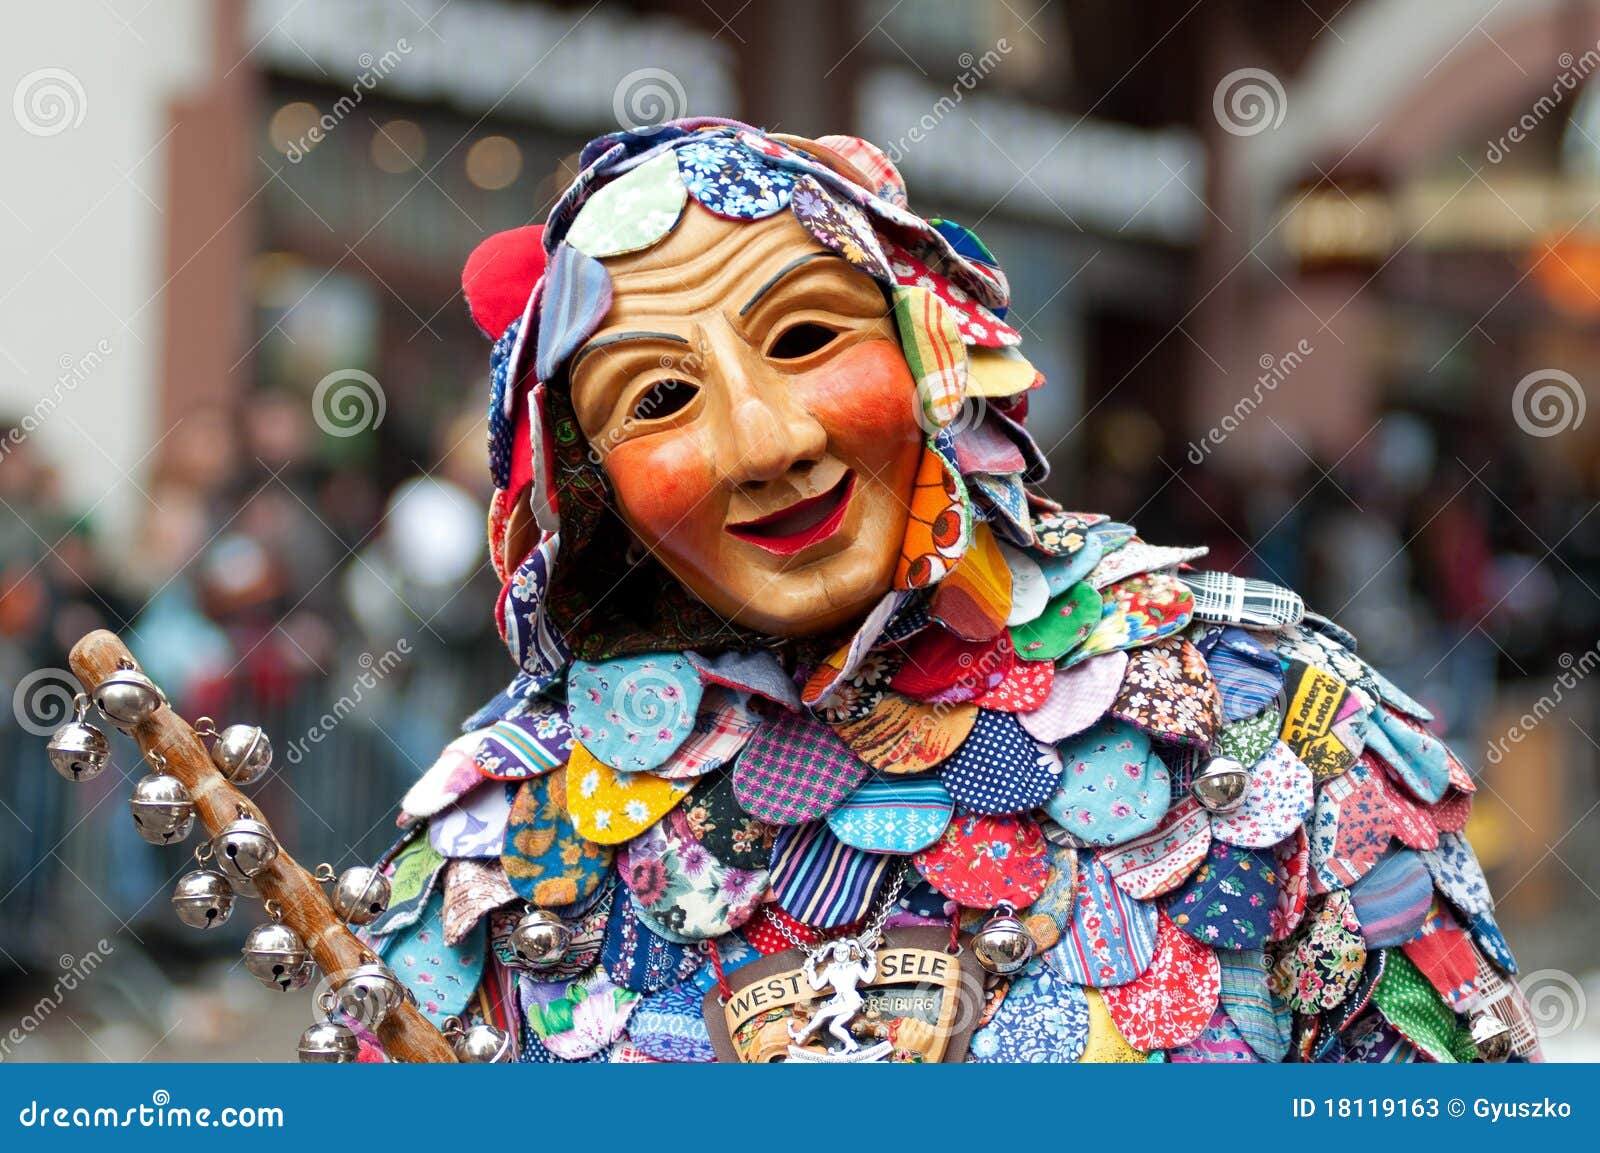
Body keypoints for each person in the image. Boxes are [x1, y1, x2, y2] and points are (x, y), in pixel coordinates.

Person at [370, 120, 1539, 1064]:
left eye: (803, 335)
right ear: (587, 488)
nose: (765, 442)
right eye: (660, 399)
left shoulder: (1269, 726)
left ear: (929, 348)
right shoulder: (500, 843)